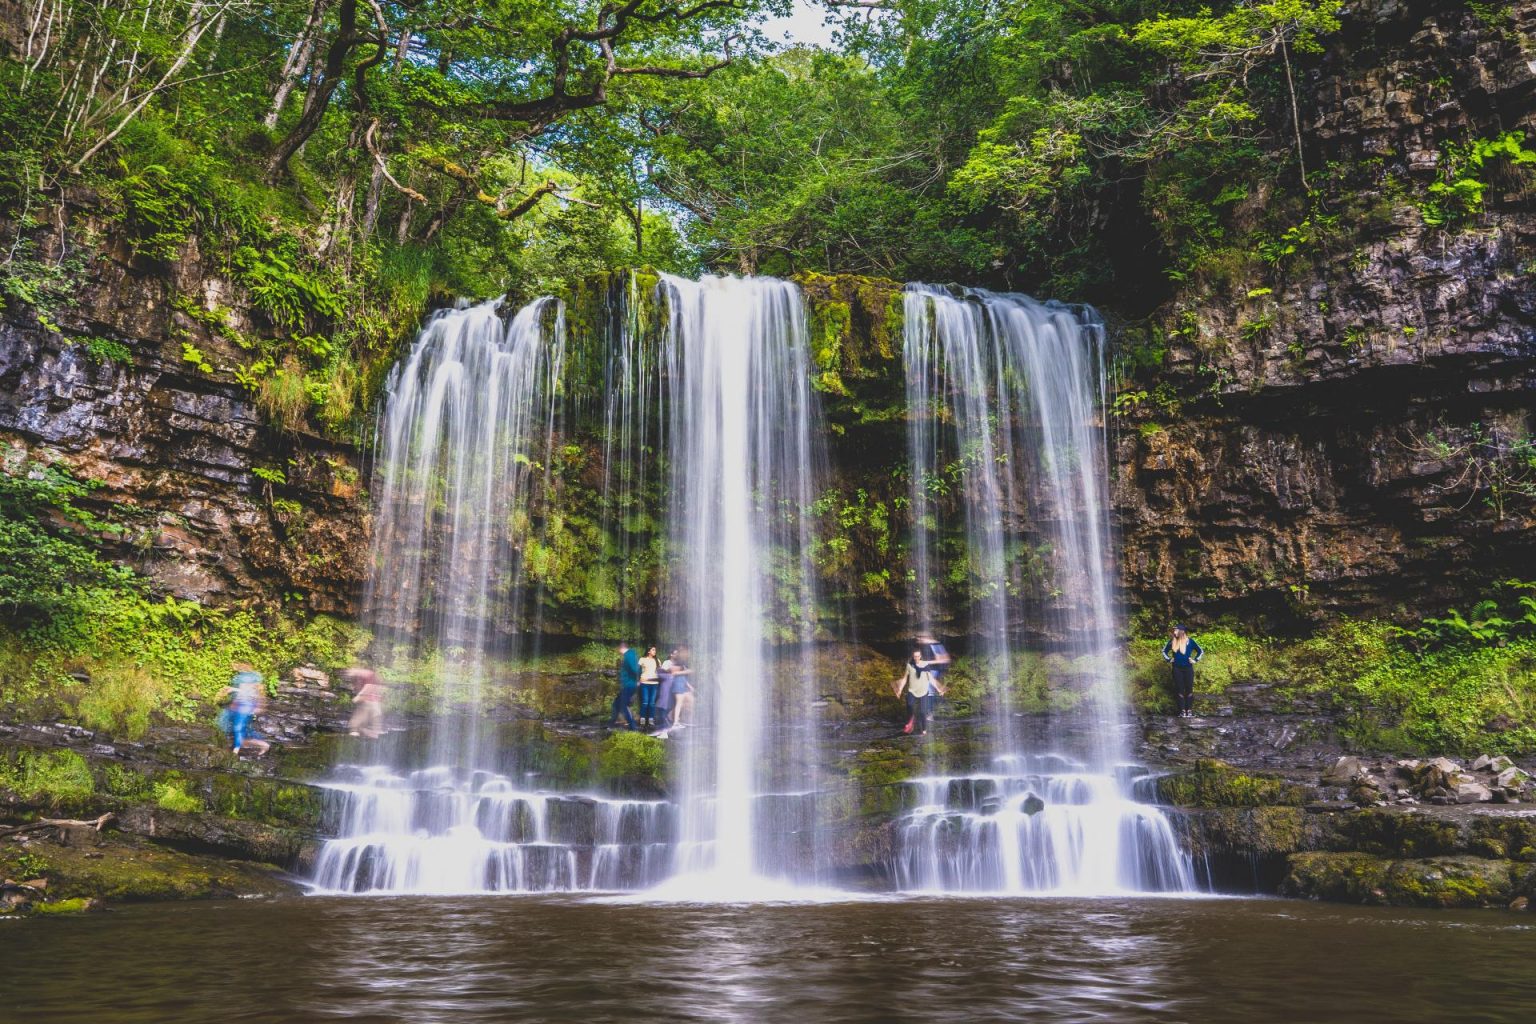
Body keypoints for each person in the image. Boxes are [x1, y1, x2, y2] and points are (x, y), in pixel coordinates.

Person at [893, 645, 947, 737]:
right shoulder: (909, 665)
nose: (917, 658)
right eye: (915, 656)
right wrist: (900, 689)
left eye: (918, 656)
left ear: (920, 656)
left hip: (923, 691)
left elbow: (931, 679)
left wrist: (939, 689)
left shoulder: (925, 665)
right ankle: (911, 722)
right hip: (912, 690)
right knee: (910, 705)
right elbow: (905, 678)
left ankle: (924, 731)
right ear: (913, 656)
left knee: (923, 712)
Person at [224, 664, 271, 758]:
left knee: (238, 729)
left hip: (245, 707)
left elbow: (251, 693)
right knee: (240, 731)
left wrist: (234, 689)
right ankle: (261, 745)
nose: (235, 667)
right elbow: (243, 693)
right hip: (240, 707)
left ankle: (235, 752)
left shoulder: (253, 677)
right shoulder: (244, 677)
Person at [1162, 625, 1204, 718]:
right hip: (1177, 669)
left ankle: (1189, 711)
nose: (1174, 632)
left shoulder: (1190, 641)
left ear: (1182, 631)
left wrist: (1195, 660)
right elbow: (1164, 651)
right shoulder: (1172, 641)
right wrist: (1169, 659)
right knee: (1179, 690)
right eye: (1174, 630)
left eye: (1176, 630)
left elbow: (1200, 651)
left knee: (1189, 689)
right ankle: (1182, 711)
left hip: (1188, 669)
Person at [654, 648, 692, 736]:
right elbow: (663, 672)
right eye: (675, 653)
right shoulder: (667, 663)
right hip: (668, 689)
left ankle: (672, 723)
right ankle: (666, 727)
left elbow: (682, 674)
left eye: (677, 653)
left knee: (674, 706)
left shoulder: (678, 664)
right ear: (671, 654)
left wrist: (688, 685)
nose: (676, 655)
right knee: (666, 709)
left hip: (674, 688)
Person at [343, 666, 385, 739]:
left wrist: (359, 696)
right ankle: (370, 732)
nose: (349, 674)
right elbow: (377, 685)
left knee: (355, 724)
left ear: (354, 669)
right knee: (371, 722)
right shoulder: (361, 676)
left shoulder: (365, 674)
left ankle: (362, 731)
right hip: (371, 702)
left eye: (349, 672)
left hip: (368, 701)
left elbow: (369, 686)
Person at [606, 642, 641, 730]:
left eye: (618, 649)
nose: (618, 651)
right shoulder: (628, 655)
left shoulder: (629, 655)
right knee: (616, 703)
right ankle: (611, 724)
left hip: (629, 685)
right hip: (627, 684)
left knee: (623, 705)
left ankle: (633, 727)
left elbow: (635, 669)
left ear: (621, 647)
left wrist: (638, 680)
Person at [670, 646, 695, 727]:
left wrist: (689, 686)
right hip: (678, 684)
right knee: (679, 703)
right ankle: (675, 722)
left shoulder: (683, 662)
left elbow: (683, 675)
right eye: (686, 652)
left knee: (691, 701)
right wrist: (686, 671)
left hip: (683, 684)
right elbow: (674, 673)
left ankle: (684, 720)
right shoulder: (677, 662)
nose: (687, 654)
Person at [637, 645, 661, 728]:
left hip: (655, 684)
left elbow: (660, 672)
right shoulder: (642, 659)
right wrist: (638, 680)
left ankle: (651, 719)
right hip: (644, 683)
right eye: (653, 650)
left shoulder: (657, 660)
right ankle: (642, 719)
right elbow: (637, 670)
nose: (655, 651)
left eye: (655, 650)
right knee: (645, 702)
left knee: (652, 703)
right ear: (648, 651)